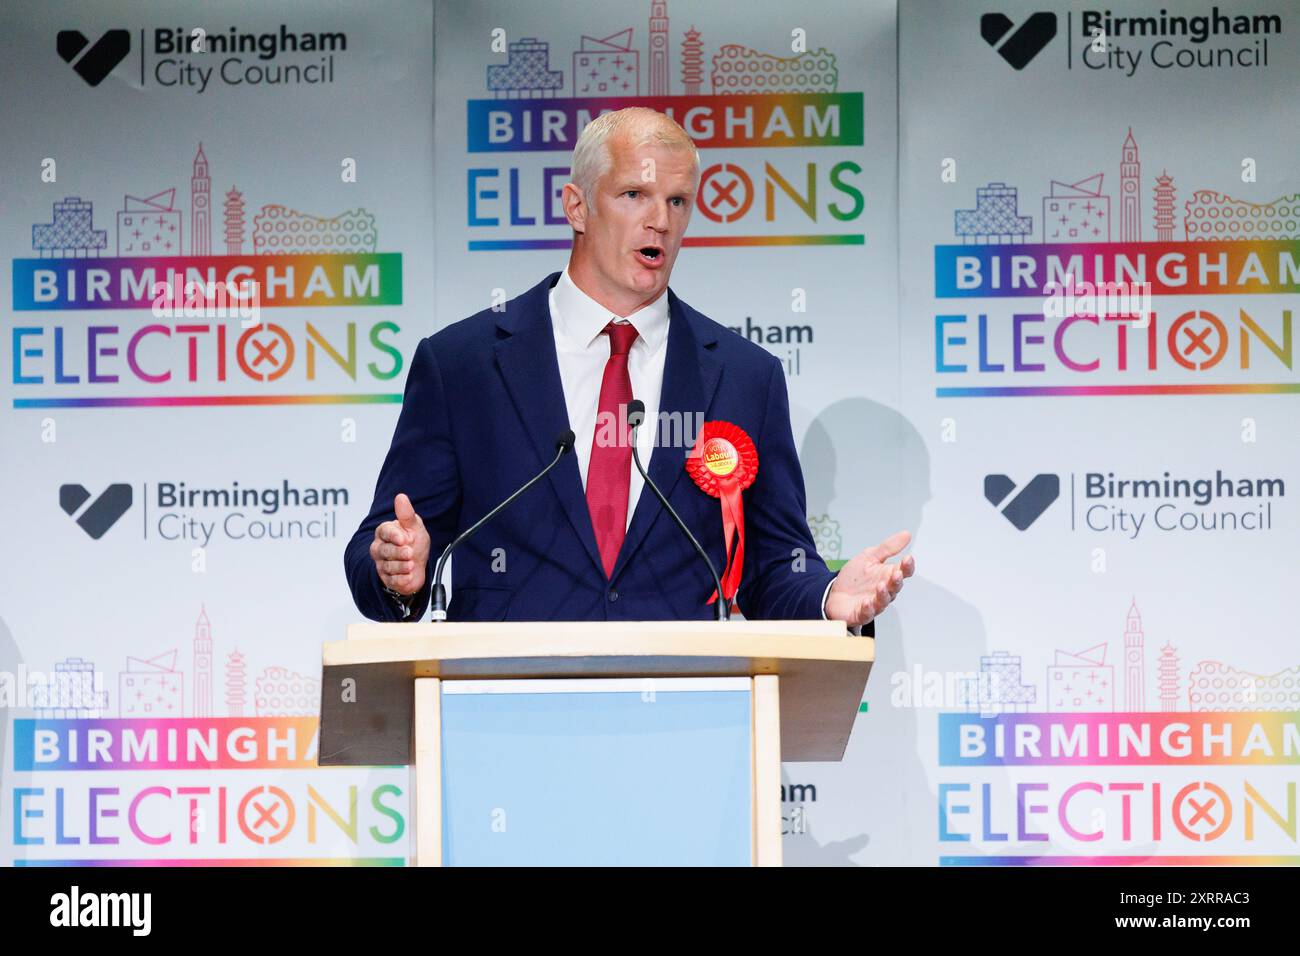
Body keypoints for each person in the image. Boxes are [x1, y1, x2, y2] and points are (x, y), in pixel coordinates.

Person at [344, 107, 914, 626]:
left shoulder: (745, 378)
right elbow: (383, 542)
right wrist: (397, 569)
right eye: (634, 195)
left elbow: (773, 566)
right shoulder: (462, 365)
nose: (660, 222)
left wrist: (828, 596)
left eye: (676, 201)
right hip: (504, 713)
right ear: (576, 206)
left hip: (685, 715)